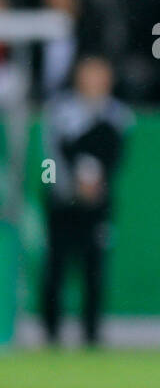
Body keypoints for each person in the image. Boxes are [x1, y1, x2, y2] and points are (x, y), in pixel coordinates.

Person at [41, 55, 133, 347]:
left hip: (97, 204)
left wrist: (97, 183)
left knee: (95, 266)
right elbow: (53, 155)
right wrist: (71, 185)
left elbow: (116, 157)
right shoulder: (61, 110)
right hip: (63, 201)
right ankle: (52, 332)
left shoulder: (119, 115)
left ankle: (91, 333)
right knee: (57, 264)